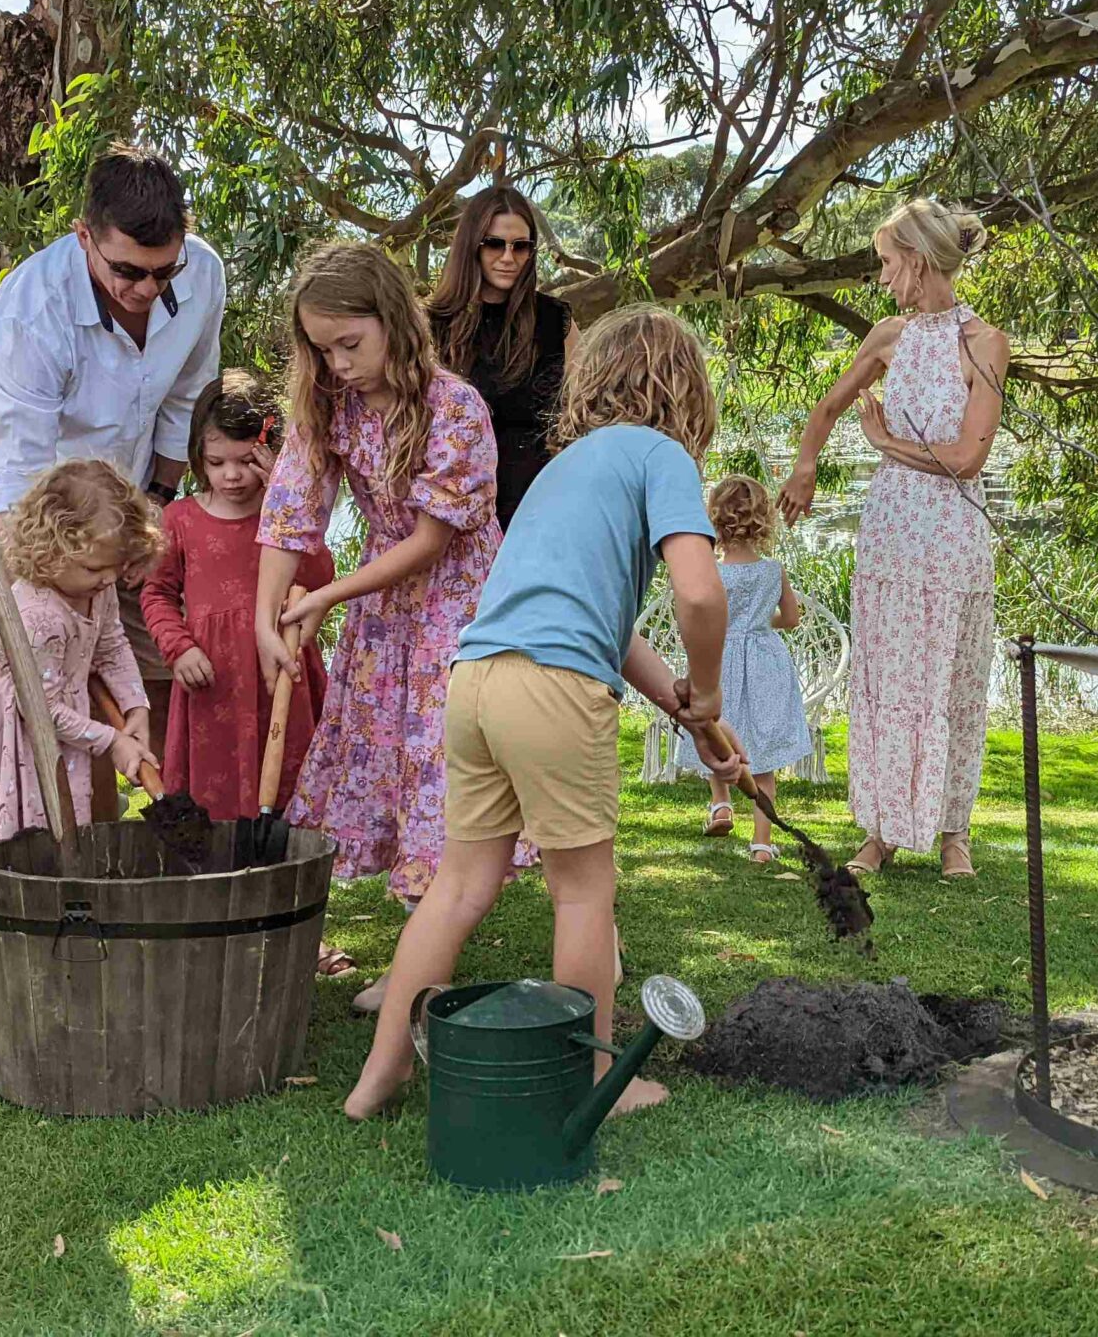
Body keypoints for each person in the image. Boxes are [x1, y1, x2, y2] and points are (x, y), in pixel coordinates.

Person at [344, 304, 748, 1121]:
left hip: (477, 680)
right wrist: (707, 690)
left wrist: (687, 713)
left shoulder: (567, 469)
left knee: (458, 886)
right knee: (582, 891)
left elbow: (608, 626)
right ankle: (597, 1077)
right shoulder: (662, 454)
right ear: (686, 392)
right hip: (554, 690)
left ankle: (378, 1075)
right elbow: (701, 593)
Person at [0, 144, 226, 818]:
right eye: (127, 272)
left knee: (159, 670)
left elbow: (183, 405)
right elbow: (11, 466)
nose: (147, 289)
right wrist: (49, 579)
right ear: (84, 235)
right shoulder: (32, 305)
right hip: (41, 521)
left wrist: (154, 517)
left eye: (163, 271)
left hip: (135, 502)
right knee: (67, 690)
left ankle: (177, 826)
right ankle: (92, 848)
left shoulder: (204, 278)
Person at [255, 242, 509, 909]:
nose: (338, 365)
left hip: (459, 606)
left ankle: (422, 967)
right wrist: (265, 620)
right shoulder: (332, 403)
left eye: (349, 344)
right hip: (386, 613)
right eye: (322, 351)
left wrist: (330, 597)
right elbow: (289, 511)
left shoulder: (455, 407)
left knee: (438, 760)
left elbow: (431, 541)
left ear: (392, 321)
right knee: (392, 758)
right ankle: (421, 939)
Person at [778, 198, 1008, 879]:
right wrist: (806, 463)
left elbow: (969, 458)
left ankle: (951, 832)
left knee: (950, 679)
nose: (882, 278)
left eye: (885, 263)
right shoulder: (888, 336)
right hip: (891, 534)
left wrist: (887, 442)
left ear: (916, 259)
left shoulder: (985, 342)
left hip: (953, 536)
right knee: (886, 678)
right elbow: (827, 406)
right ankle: (881, 830)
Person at [140, 372, 333, 822]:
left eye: (247, 461)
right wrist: (178, 647)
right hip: (213, 683)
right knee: (215, 795)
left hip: (282, 675)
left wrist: (283, 505)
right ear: (198, 458)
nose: (232, 475)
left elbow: (320, 576)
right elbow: (157, 593)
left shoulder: (286, 519)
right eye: (216, 462)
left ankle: (289, 867)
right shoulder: (180, 520)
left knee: (290, 780)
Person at [0, 460, 163, 853]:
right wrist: (112, 740)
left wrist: (136, 706)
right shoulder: (38, 617)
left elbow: (112, 645)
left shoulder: (98, 585)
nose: (109, 579)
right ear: (51, 549)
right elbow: (40, 711)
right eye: (96, 568)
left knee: (67, 822)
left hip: (65, 724)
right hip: (26, 735)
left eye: (117, 568)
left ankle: (68, 891)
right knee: (31, 839)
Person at [675, 476, 813, 862]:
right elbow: (791, 618)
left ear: (716, 521)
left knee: (717, 732)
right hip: (766, 661)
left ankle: (720, 805)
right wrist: (758, 623)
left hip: (720, 658)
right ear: (763, 521)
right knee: (762, 754)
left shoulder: (712, 573)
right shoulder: (773, 571)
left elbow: (695, 618)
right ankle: (763, 844)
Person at [425, 185, 578, 531]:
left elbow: (585, 415)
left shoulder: (555, 320)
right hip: (454, 517)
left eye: (520, 247)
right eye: (494, 244)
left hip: (541, 511)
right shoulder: (432, 325)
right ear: (471, 246)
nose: (508, 257)